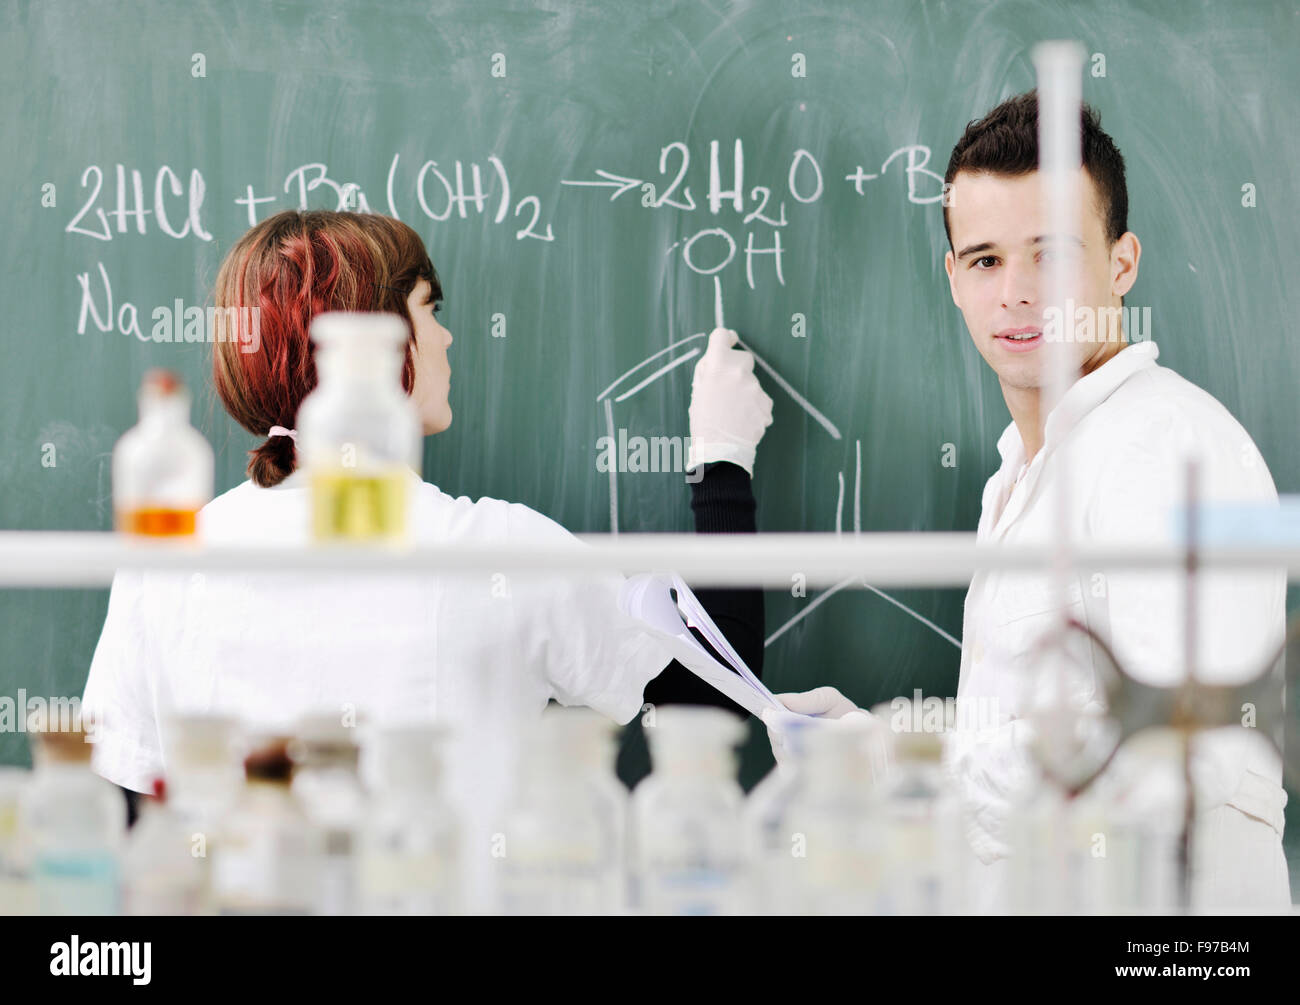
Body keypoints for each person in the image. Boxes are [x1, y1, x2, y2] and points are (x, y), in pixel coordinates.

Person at [763, 92, 1289, 910]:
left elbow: (1178, 748)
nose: (1016, 293)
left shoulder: (1176, 449)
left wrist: (906, 758)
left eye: (1050, 253)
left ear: (1121, 262)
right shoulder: (1019, 478)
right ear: (953, 280)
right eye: (985, 260)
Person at [81, 210, 774, 810]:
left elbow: (126, 801)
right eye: (428, 310)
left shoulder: (166, 560)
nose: (445, 339)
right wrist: (723, 458)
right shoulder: (496, 551)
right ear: (375, 343)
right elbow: (718, 699)